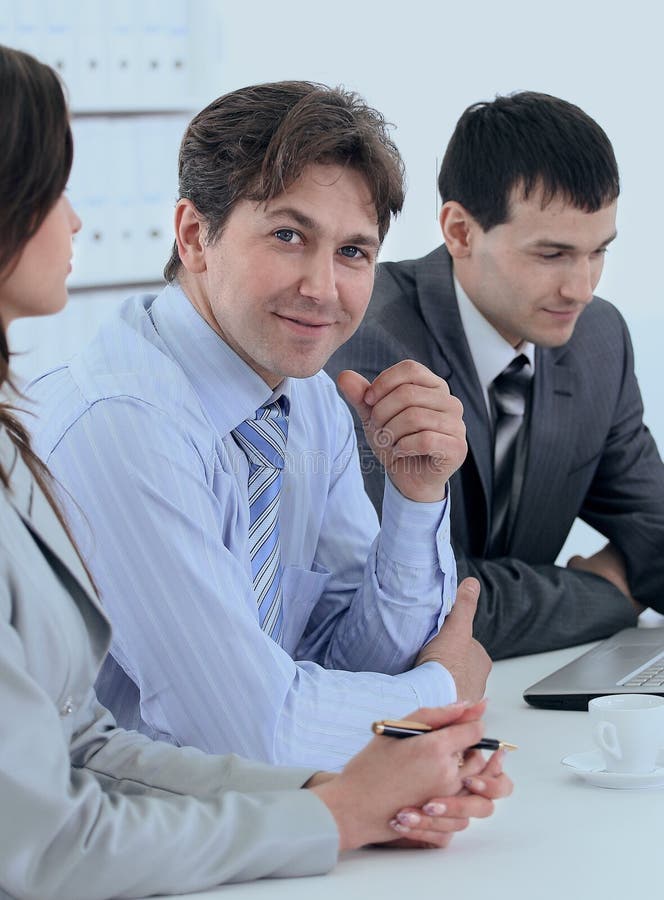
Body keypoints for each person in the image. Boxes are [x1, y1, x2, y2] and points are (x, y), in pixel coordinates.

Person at [0, 44, 513, 900]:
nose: (323, 286)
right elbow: (246, 729)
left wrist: (417, 498)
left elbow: (351, 655)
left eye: (354, 252)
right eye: (288, 236)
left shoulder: (298, 391)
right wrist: (437, 701)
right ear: (194, 235)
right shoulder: (126, 422)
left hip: (212, 835)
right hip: (154, 852)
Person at [326, 91, 664, 660]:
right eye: (552, 255)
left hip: (514, 688)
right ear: (459, 231)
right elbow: (425, 601)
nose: (582, 287)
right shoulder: (369, 337)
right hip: (389, 707)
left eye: (597, 252)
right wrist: (610, 594)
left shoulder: (598, 338)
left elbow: (656, 530)